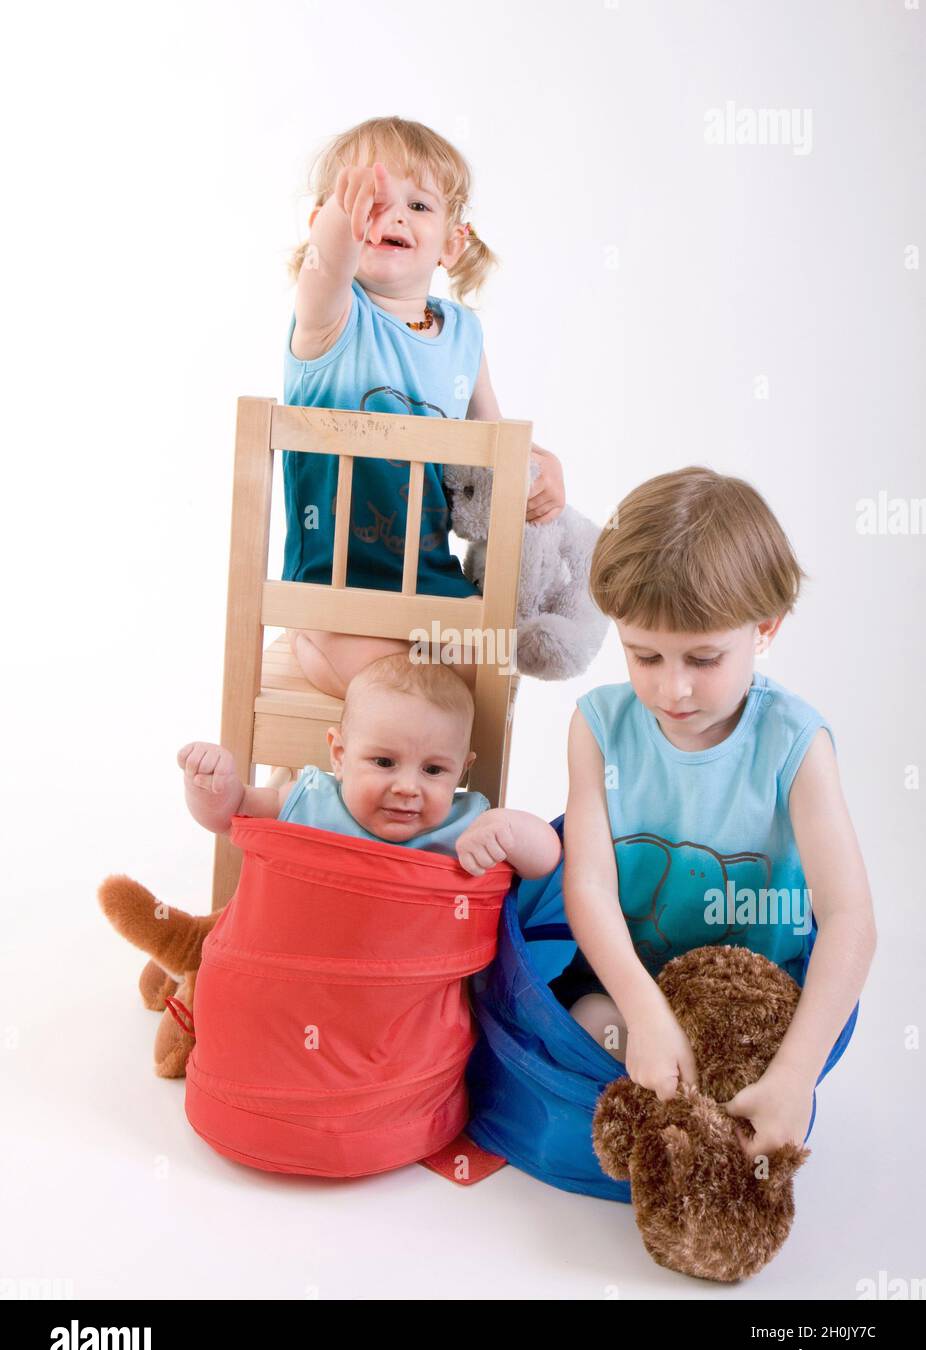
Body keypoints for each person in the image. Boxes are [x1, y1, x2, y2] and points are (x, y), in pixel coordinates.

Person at [554, 465, 876, 1160]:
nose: (673, 688)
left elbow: (850, 919)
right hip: (633, 984)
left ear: (765, 628)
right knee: (587, 1021)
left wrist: (796, 1071)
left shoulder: (795, 742)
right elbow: (588, 887)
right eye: (644, 656)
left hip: (755, 1005)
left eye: (704, 658)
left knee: (758, 1098)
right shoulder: (598, 727)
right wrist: (644, 1013)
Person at [280, 115, 565, 702]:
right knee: (399, 690)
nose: (393, 216)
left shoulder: (464, 336)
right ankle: (315, 704)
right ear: (323, 227)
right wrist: (337, 229)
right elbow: (327, 268)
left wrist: (542, 470)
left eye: (418, 205)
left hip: (431, 584)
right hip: (339, 590)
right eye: (368, 202)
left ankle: (406, 782)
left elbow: (496, 443)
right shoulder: (330, 317)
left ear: (452, 243)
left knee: (487, 680)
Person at [178, 653, 561, 880]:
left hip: (408, 988)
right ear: (340, 755)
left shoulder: (465, 824)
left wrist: (507, 830)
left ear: (462, 771)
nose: (408, 787)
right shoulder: (311, 800)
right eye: (384, 762)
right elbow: (231, 815)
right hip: (308, 967)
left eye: (433, 770)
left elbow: (546, 860)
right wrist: (213, 786)